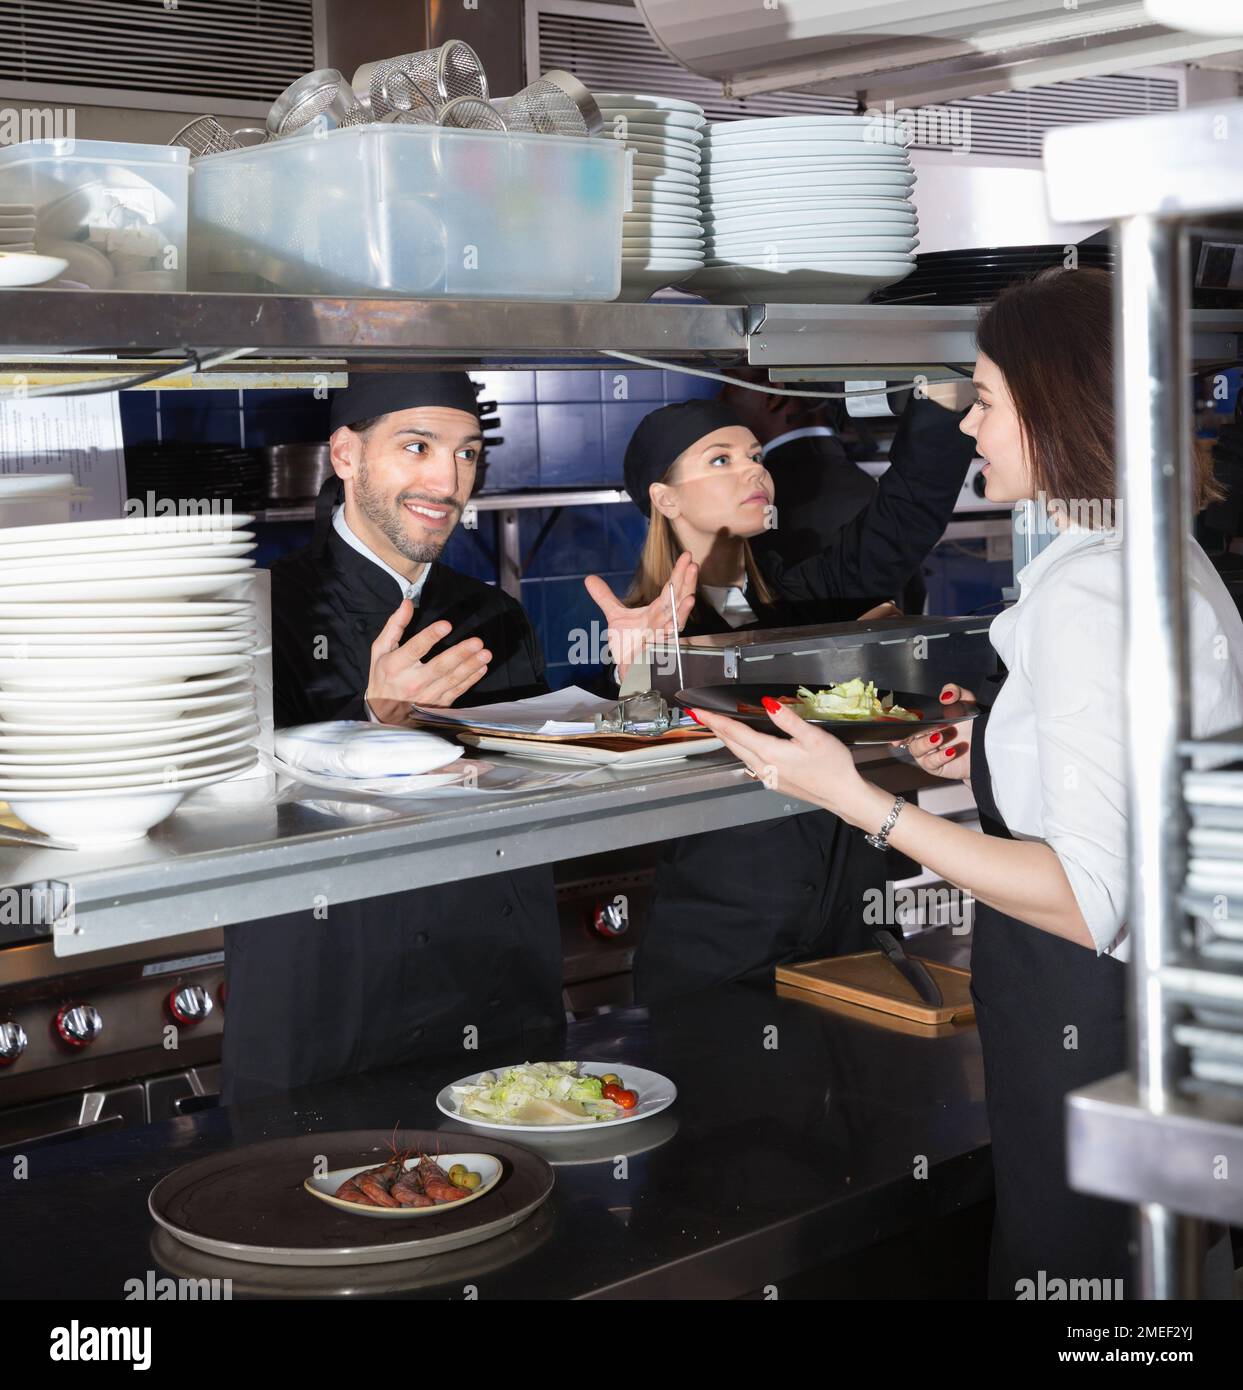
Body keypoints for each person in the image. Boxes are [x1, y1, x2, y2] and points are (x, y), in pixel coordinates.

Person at [689, 267, 1243, 1296]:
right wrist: (997, 744)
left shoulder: (1088, 594)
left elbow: (1086, 897)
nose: (971, 429)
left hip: (1092, 1018)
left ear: (1054, 405)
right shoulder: (1158, 555)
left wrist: (858, 798)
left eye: (983, 400)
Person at [220, 371, 562, 1103]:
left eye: (468, 453)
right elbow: (223, 813)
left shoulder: (494, 616)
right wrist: (369, 721)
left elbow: (543, 787)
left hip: (499, 990)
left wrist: (638, 694)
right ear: (345, 455)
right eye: (417, 447)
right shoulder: (253, 615)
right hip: (333, 1005)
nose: (448, 479)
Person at [584, 387, 976, 1003]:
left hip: (854, 919)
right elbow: (621, 750)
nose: (753, 470)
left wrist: (941, 402)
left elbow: (905, 516)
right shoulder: (641, 629)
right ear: (664, 498)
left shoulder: (808, 589)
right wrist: (639, 675)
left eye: (754, 453)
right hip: (726, 942)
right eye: (720, 460)